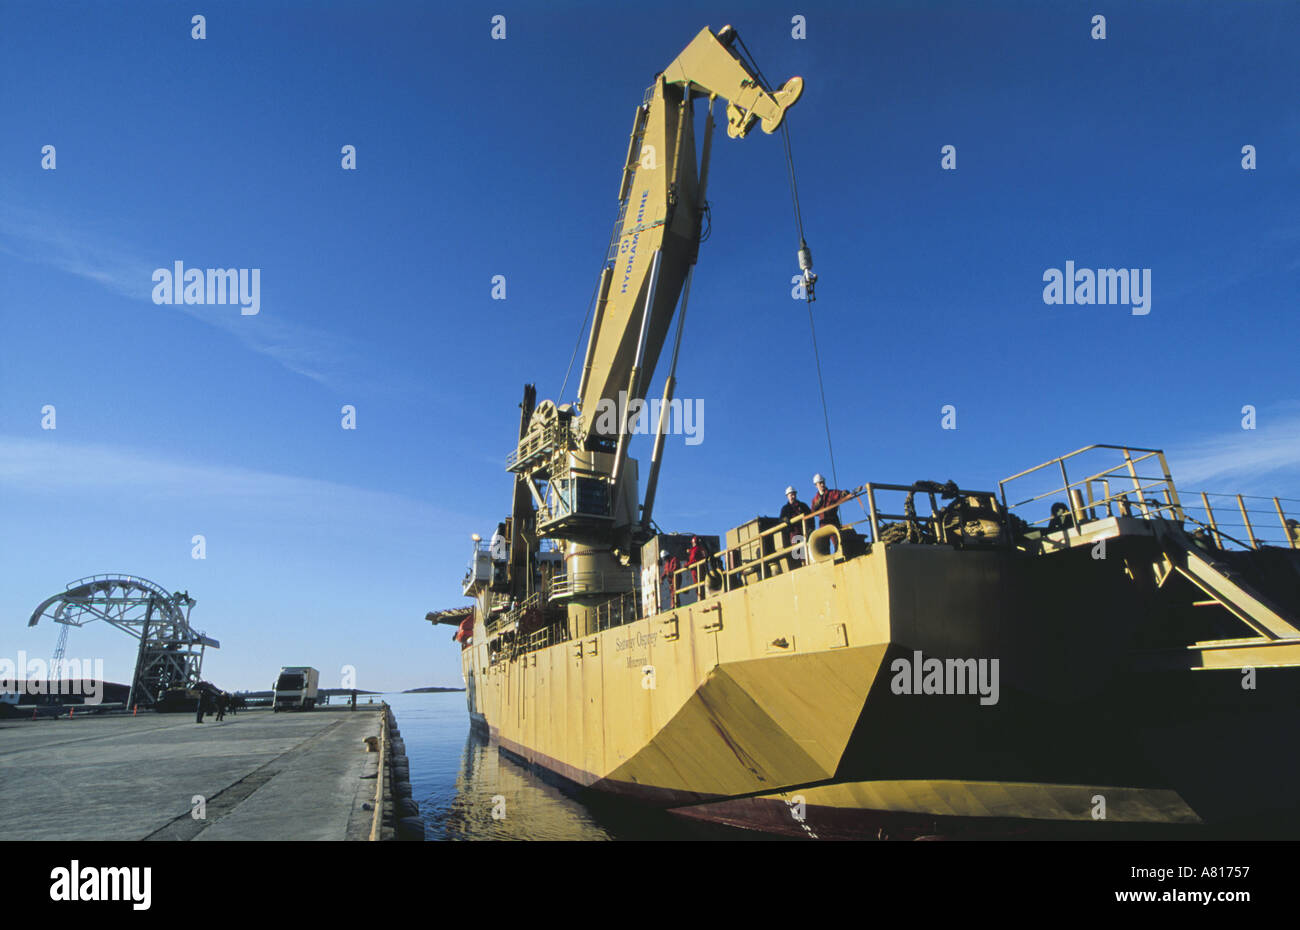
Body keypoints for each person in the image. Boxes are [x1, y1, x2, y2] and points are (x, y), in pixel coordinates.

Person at [780, 485, 813, 562]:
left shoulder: (803, 506)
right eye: (790, 495)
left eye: (793, 494)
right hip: (794, 533)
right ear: (787, 496)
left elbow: (811, 517)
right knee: (796, 552)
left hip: (804, 531)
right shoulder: (785, 509)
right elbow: (780, 520)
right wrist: (784, 519)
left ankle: (806, 562)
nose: (792, 496)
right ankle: (801, 564)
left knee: (807, 549)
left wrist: (811, 528)